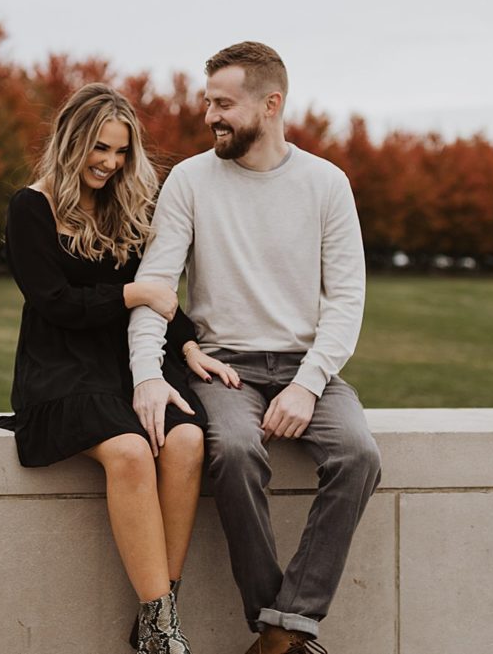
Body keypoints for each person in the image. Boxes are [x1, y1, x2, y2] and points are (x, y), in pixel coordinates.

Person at [128, 42, 382, 654]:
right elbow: (155, 288)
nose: (210, 115)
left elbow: (347, 300)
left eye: (224, 103)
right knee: (237, 452)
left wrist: (308, 383)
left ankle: (278, 632)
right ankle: (285, 632)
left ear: (270, 104)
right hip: (224, 368)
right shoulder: (190, 180)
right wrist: (145, 374)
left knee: (358, 456)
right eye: (208, 101)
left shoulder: (326, 183)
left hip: (306, 367)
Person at [0, 83, 241, 654]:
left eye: (121, 151)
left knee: (185, 442)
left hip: (128, 364)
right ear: (70, 141)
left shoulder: (128, 205)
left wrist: (185, 346)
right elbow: (55, 302)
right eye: (98, 149)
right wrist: (131, 294)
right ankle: (164, 633)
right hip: (60, 370)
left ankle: (158, 617)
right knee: (130, 451)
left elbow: (159, 292)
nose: (109, 163)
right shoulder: (32, 207)